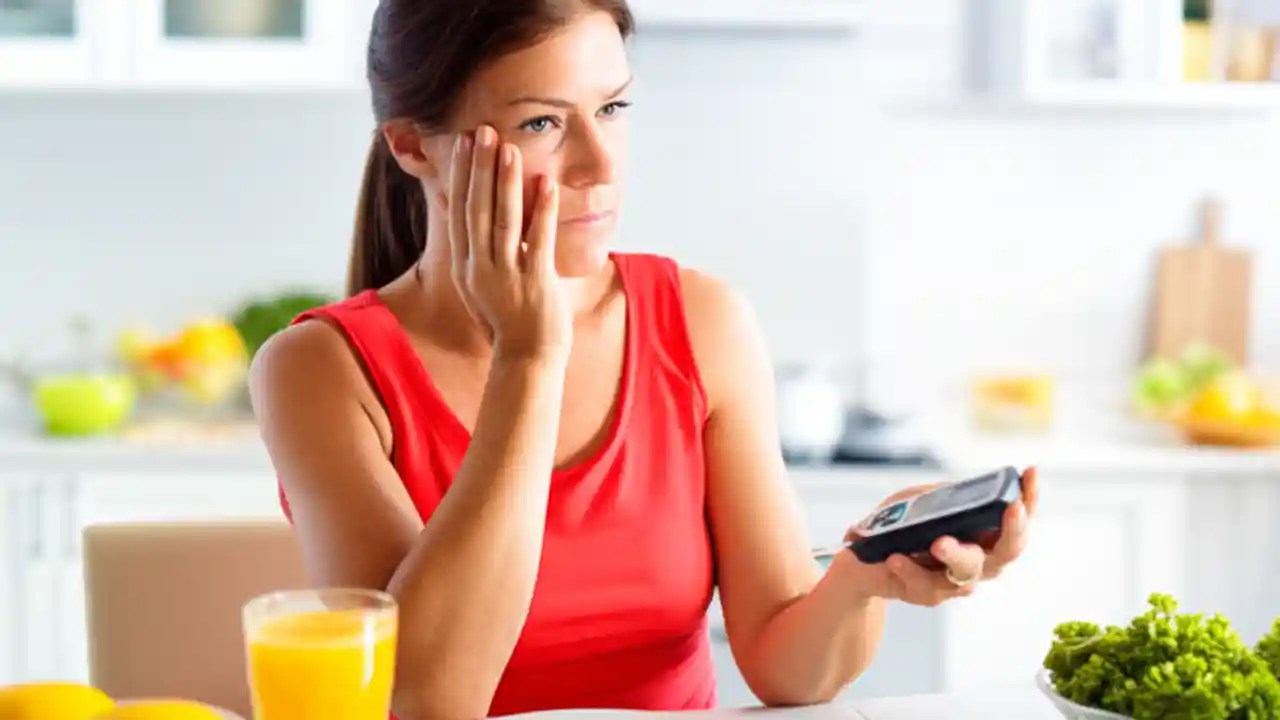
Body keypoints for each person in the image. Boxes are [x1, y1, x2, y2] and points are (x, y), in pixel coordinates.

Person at [248, 1, 1041, 719]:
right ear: (414, 145)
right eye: (541, 125)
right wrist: (531, 355)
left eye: (613, 107)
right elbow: (426, 699)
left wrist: (864, 577)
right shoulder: (319, 371)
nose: (600, 162)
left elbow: (784, 667)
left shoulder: (703, 322)